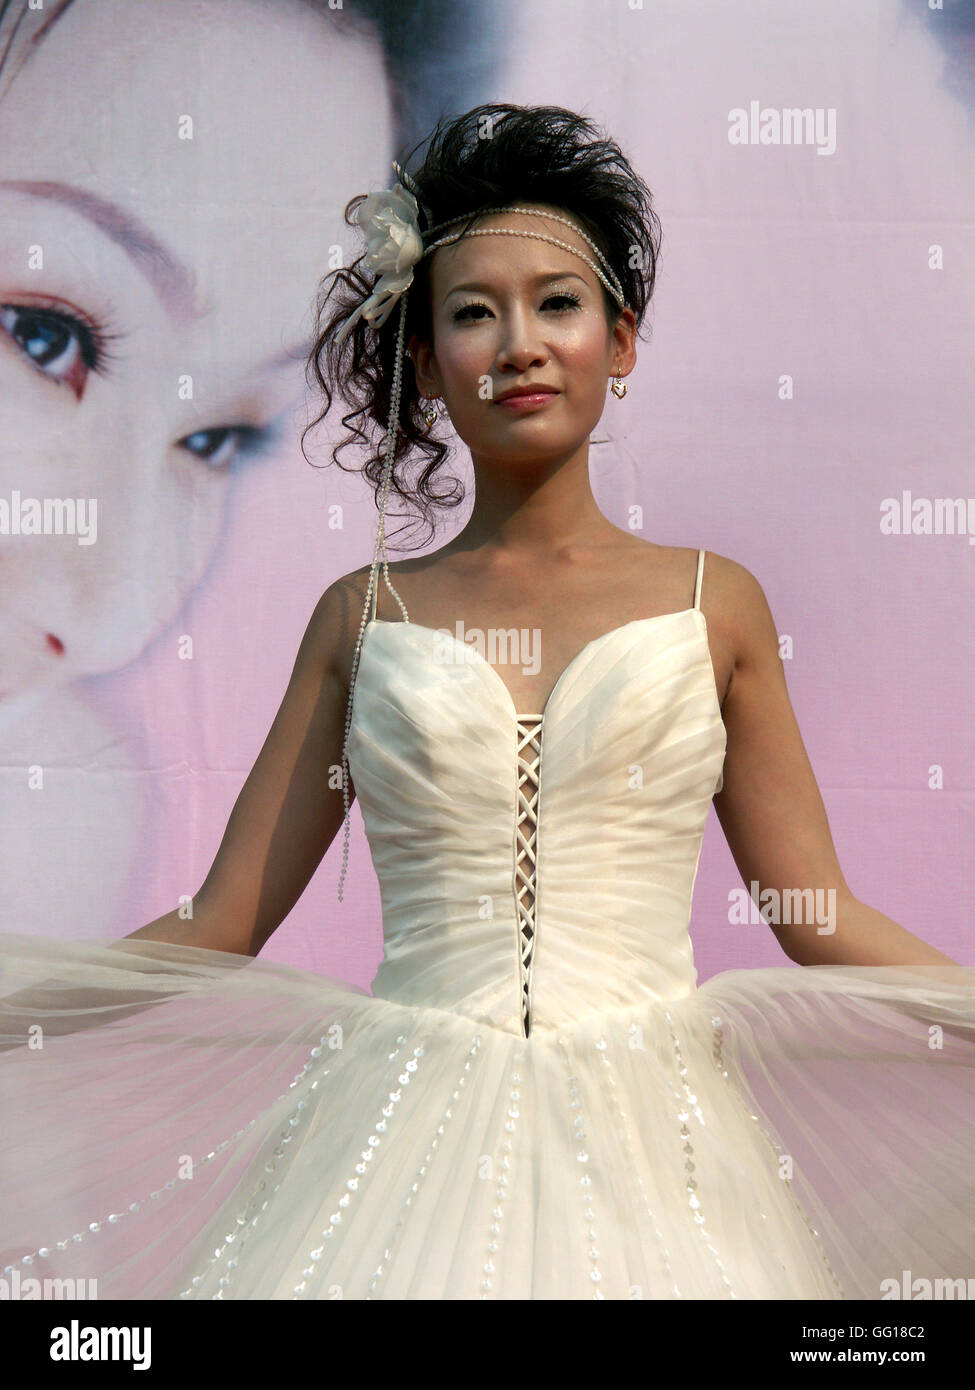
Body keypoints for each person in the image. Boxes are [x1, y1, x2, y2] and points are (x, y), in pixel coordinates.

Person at [1, 103, 974, 1302]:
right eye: (472, 311)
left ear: (620, 342)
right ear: (421, 359)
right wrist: (14, 1016)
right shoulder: (360, 616)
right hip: (391, 1149)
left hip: (659, 1157)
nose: (519, 343)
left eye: (557, 305)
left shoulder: (718, 605)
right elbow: (221, 919)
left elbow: (814, 914)